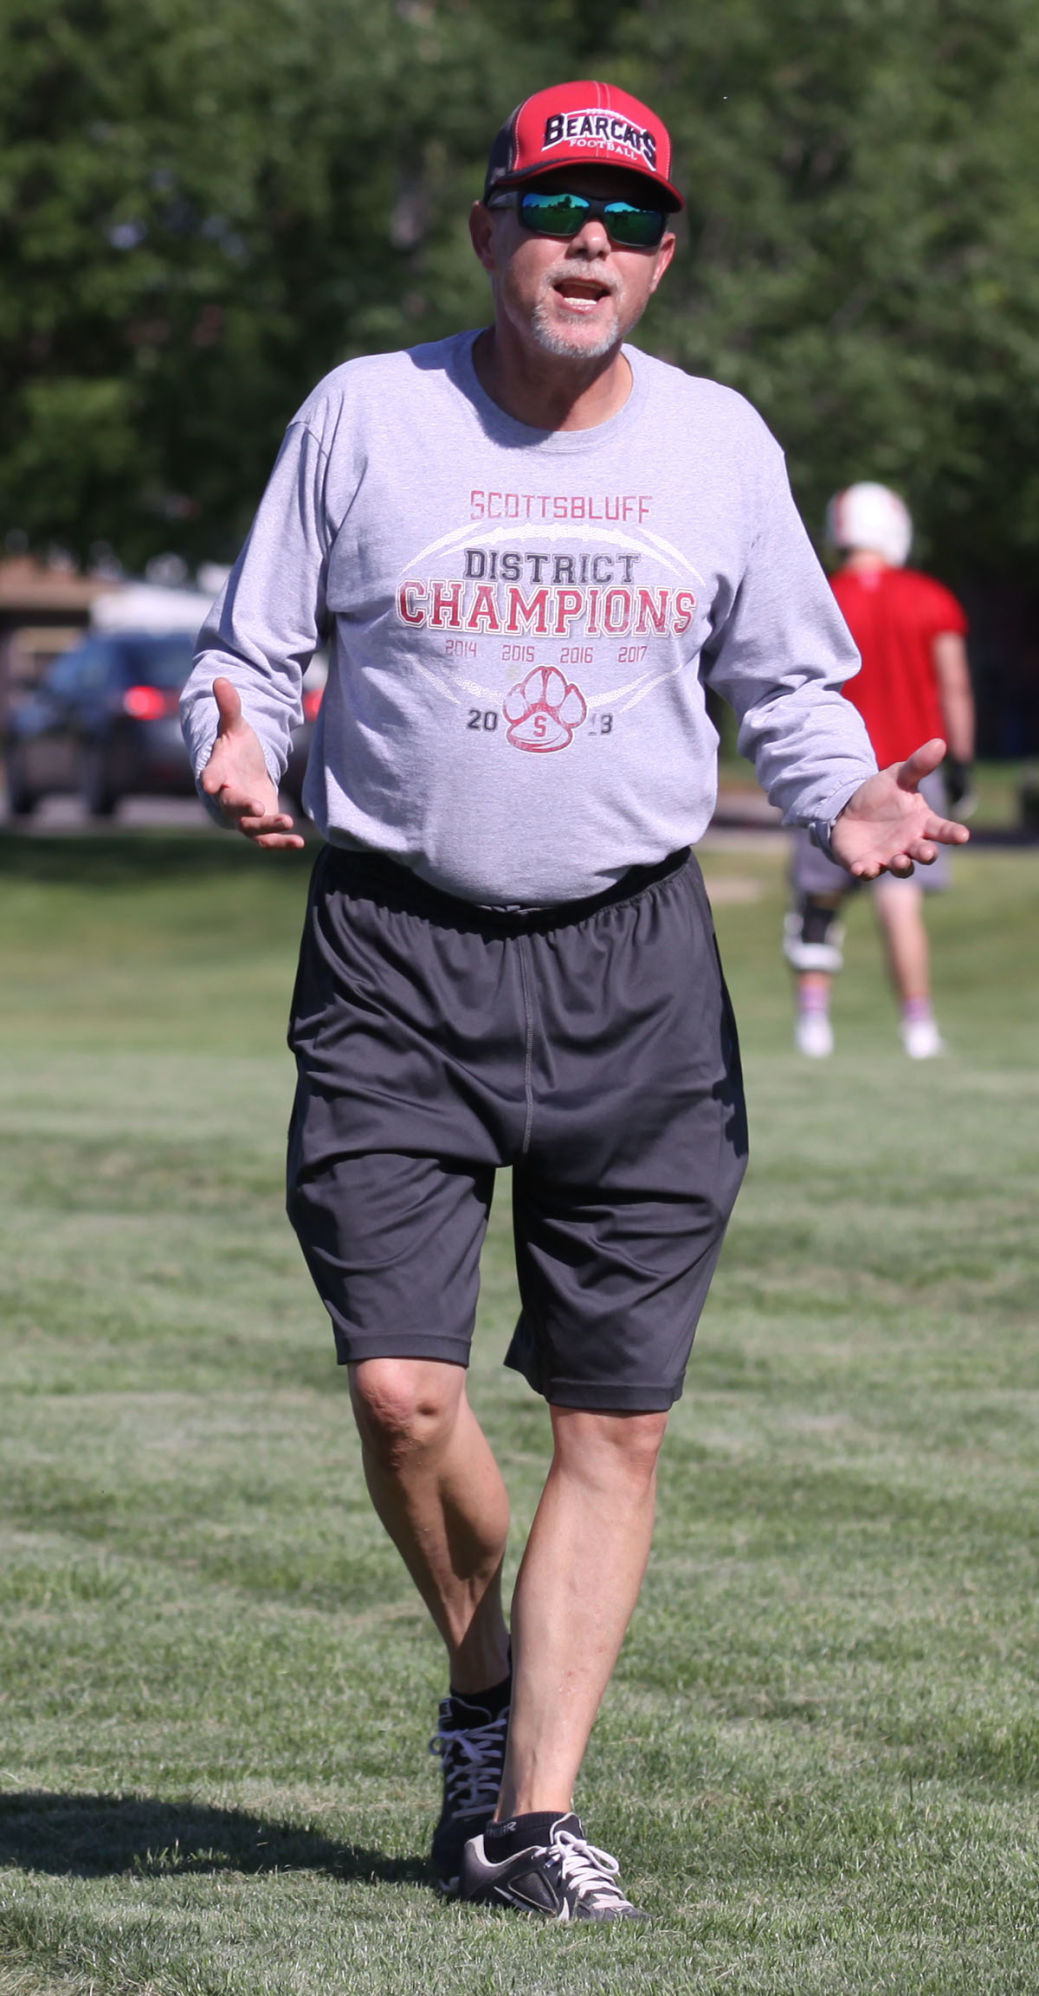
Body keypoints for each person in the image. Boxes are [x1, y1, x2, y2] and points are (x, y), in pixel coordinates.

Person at [180, 80, 968, 1922]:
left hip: (633, 961)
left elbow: (789, 686)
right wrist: (240, 726)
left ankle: (530, 1813)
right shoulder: (366, 416)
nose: (584, 242)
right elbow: (257, 647)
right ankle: (478, 1685)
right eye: (549, 208)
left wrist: (844, 791)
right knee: (400, 1391)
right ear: (487, 232)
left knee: (610, 1420)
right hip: (391, 949)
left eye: (620, 217)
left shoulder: (714, 447)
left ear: (663, 253)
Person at [783, 482, 975, 1058]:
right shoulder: (929, 597)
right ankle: (917, 1026)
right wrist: (961, 763)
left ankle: (812, 1026)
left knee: (818, 902)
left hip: (829, 768)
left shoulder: (818, 596)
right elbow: (955, 686)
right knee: (900, 903)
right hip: (913, 768)